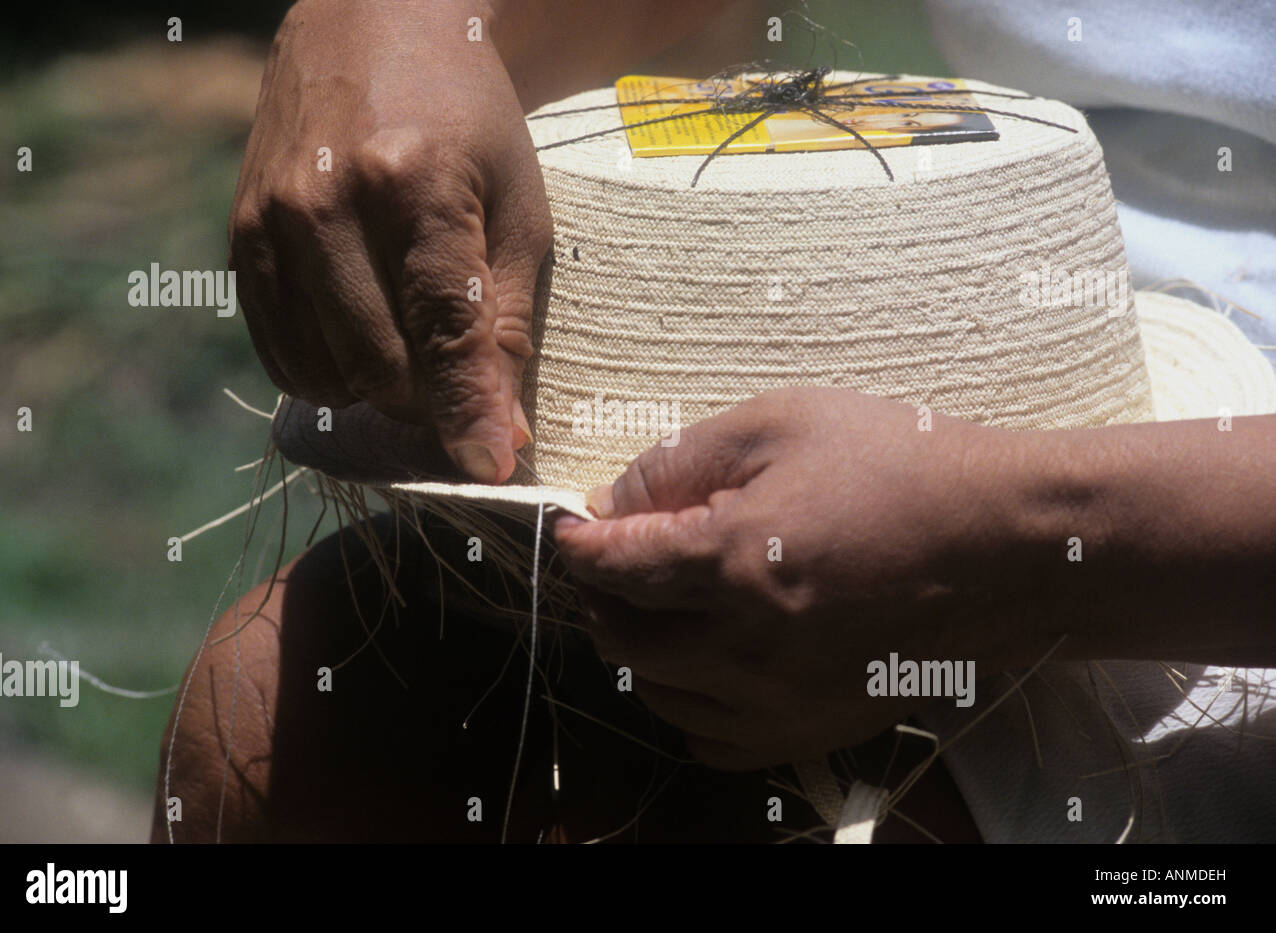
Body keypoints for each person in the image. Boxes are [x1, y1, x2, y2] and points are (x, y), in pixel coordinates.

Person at [153, 0, 1276, 843]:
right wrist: (405, 19)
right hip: (1014, 298)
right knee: (276, 708)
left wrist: (1034, 551)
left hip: (1208, 536)